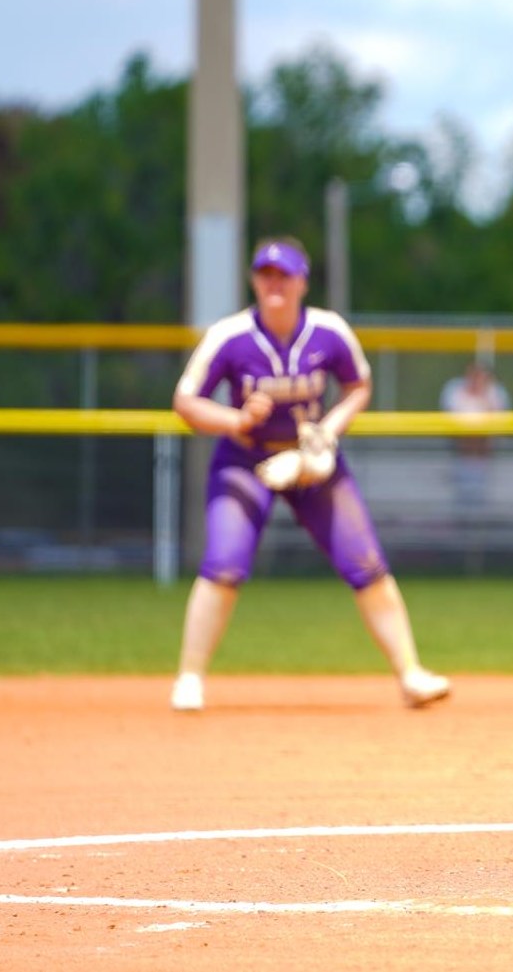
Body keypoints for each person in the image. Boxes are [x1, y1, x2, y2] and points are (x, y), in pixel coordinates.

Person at [167, 236, 450, 712]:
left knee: (366, 563)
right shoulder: (231, 336)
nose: (274, 284)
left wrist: (328, 431)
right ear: (254, 280)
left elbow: (358, 386)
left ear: (303, 281)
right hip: (246, 459)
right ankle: (190, 677)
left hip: (312, 460)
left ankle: (411, 674)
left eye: (284, 275)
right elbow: (186, 402)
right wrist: (235, 420)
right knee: (225, 562)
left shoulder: (328, 331)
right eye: (265, 274)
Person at [439, 360, 512, 511]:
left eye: (481, 376)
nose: (476, 380)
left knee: (480, 497)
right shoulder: (455, 390)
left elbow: (497, 420)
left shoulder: (494, 393)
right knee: (461, 496)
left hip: (483, 453)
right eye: (474, 375)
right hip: (461, 451)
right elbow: (451, 418)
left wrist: (483, 394)